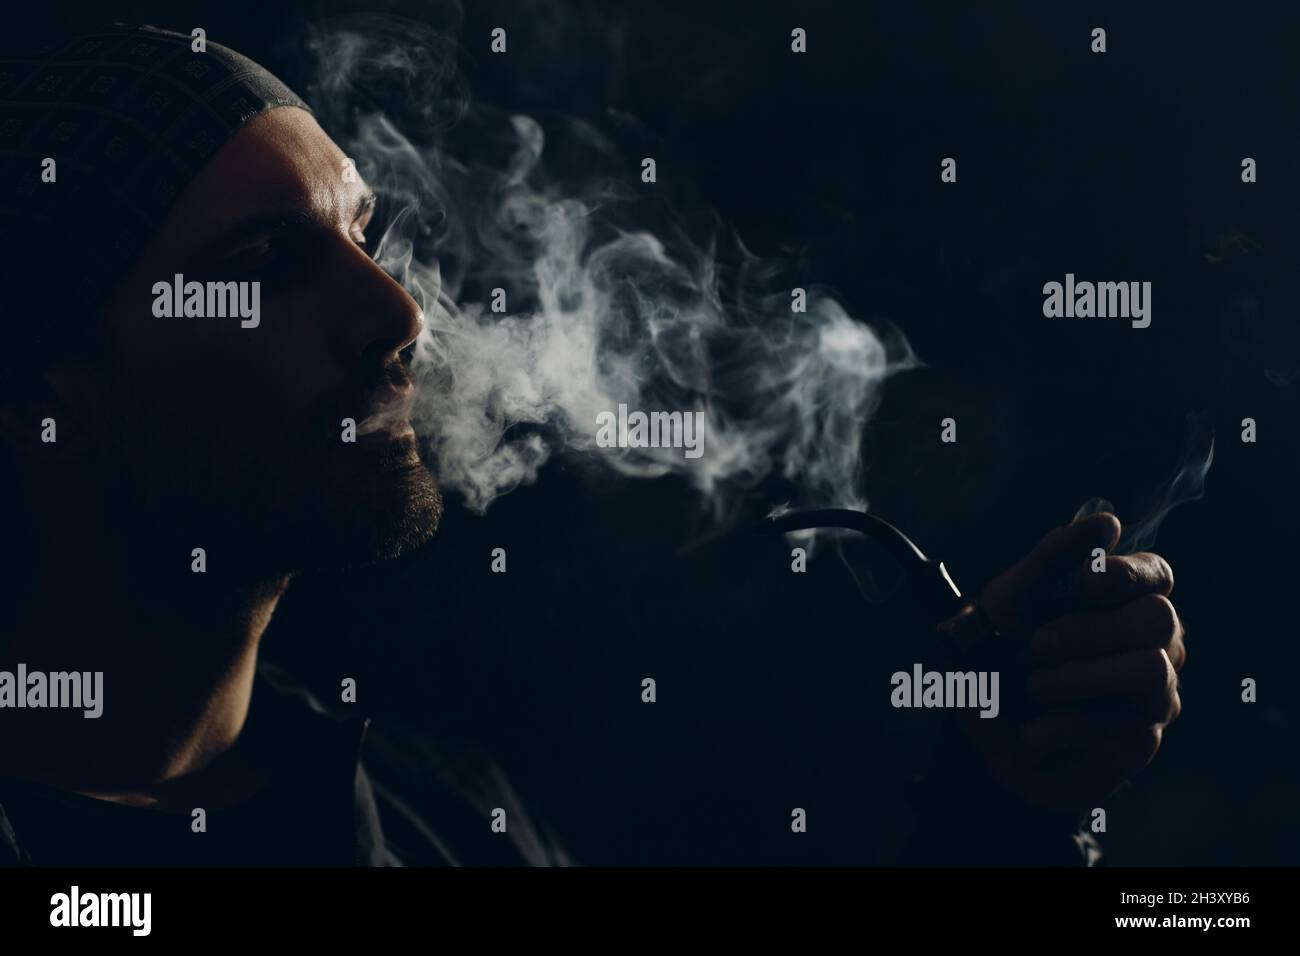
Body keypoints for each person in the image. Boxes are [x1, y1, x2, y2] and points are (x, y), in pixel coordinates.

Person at [0, 24, 1184, 866]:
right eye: (263, 264)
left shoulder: (451, 820)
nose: (399, 311)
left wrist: (1002, 813)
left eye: (366, 236)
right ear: (40, 393)